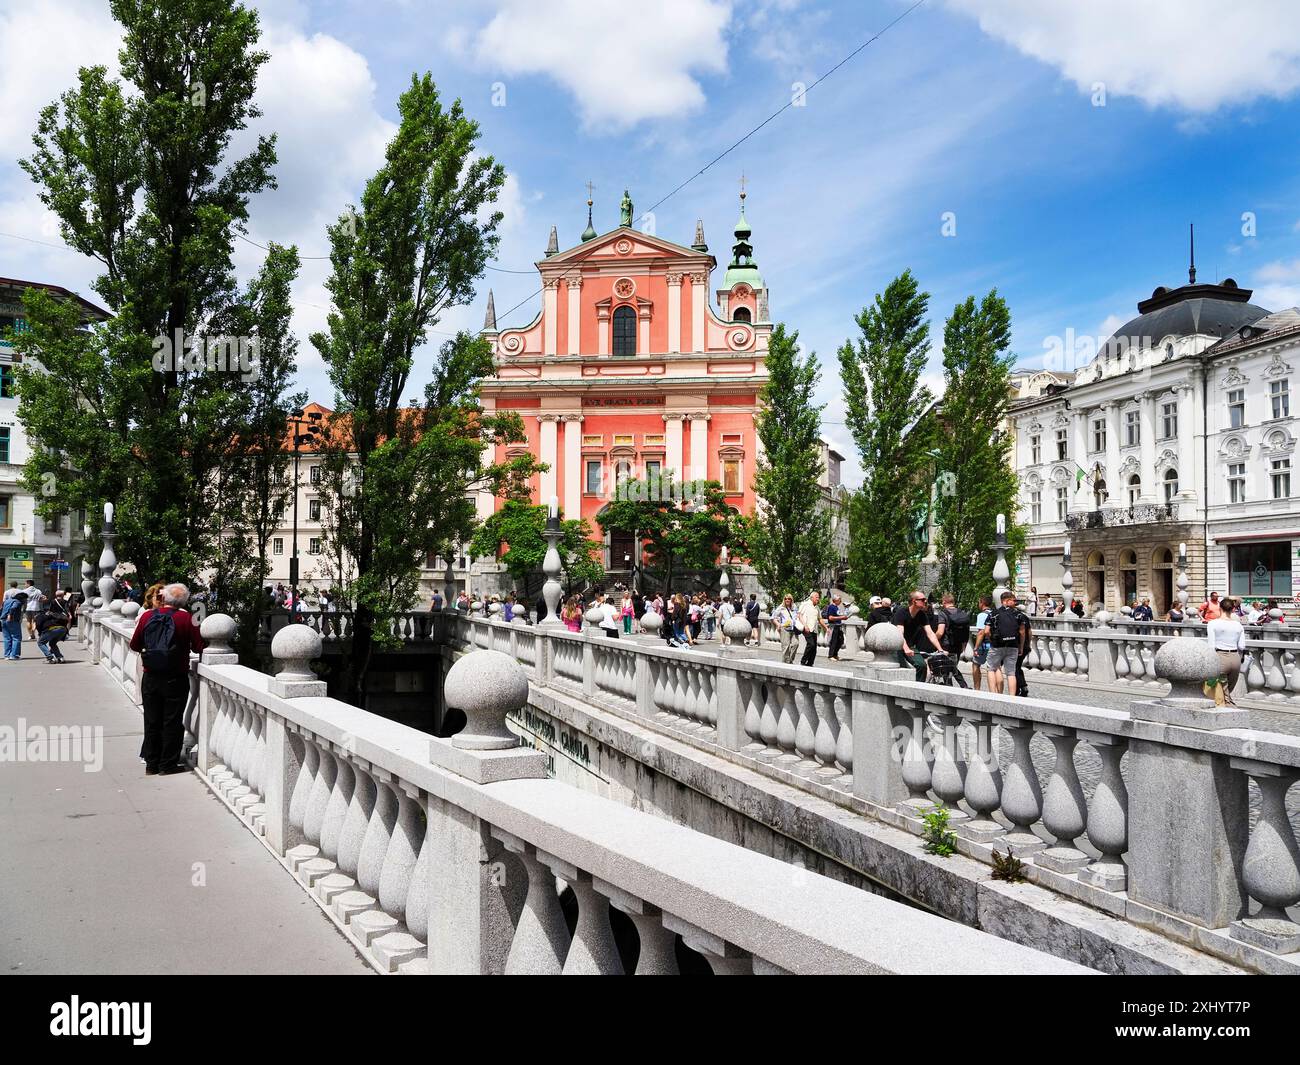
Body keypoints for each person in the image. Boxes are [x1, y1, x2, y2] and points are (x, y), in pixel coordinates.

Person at [129, 583, 206, 775]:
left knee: (152, 720)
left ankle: (151, 763)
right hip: (175, 677)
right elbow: (198, 646)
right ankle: (167, 764)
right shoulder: (187, 618)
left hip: (151, 676)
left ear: (164, 598)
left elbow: (135, 644)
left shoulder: (147, 616)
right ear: (184, 601)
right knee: (172, 720)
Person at [975, 591, 1029, 696]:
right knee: (1011, 672)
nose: (1015, 602)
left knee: (991, 669)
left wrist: (991, 640)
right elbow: (1022, 632)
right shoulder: (1018, 614)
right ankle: (1012, 697)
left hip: (997, 645)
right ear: (1006, 600)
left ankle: (993, 694)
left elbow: (986, 631)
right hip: (1013, 645)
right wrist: (1021, 646)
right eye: (1013, 600)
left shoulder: (993, 613)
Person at [892, 590, 943, 681]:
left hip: (910, 646)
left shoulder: (922, 615)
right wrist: (906, 648)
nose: (925, 601)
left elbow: (930, 633)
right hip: (897, 645)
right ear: (914, 601)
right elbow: (900, 634)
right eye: (923, 599)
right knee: (902, 668)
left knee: (922, 666)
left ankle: (918, 687)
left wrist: (940, 649)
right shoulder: (901, 613)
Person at [1205, 597, 1245, 705]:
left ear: (1220, 608)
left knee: (1219, 689)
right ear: (1232, 609)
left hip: (1220, 657)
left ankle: (1227, 708)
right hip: (1235, 658)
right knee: (1227, 691)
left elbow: (1211, 646)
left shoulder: (1213, 624)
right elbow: (1242, 646)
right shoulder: (1238, 625)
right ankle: (1228, 706)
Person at [935, 592, 971, 669]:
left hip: (946, 645)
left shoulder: (942, 613)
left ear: (944, 602)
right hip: (958, 645)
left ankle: (950, 681)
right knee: (953, 668)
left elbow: (940, 632)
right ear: (953, 602)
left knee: (945, 668)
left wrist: (933, 639)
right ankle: (951, 680)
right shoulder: (961, 612)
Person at [970, 595, 993, 691]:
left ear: (982, 603)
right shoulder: (994, 613)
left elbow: (981, 632)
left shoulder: (982, 615)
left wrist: (975, 647)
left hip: (983, 645)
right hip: (994, 644)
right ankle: (995, 691)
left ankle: (977, 689)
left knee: (975, 665)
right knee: (994, 669)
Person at [798, 590, 826, 667]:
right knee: (811, 644)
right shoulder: (805, 604)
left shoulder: (817, 607)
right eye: (817, 597)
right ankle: (803, 661)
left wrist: (826, 628)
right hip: (807, 628)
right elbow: (799, 615)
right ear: (812, 597)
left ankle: (810, 663)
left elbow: (820, 619)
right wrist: (805, 625)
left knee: (814, 648)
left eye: (818, 597)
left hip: (814, 629)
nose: (818, 599)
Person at [773, 593, 800, 664]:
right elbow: (773, 617)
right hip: (785, 629)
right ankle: (786, 662)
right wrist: (778, 624)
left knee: (796, 644)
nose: (787, 600)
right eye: (785, 599)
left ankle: (789, 660)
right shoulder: (781, 607)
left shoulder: (794, 607)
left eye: (789, 599)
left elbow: (797, 616)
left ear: (791, 600)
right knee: (786, 646)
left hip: (793, 629)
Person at [2, 589, 27, 660]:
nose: (25, 601)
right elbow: (13, 607)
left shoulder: (7, 601)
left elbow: (1, 608)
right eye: (25, 599)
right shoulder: (17, 602)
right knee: (16, 638)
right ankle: (14, 655)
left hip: (3, 620)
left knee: (7, 638)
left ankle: (7, 655)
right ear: (22, 598)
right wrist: (10, 615)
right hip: (12, 620)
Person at [824, 591, 847, 661]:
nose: (840, 601)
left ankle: (835, 654)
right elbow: (830, 617)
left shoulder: (836, 607)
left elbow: (837, 615)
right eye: (840, 599)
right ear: (836, 600)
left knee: (840, 641)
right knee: (833, 641)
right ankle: (831, 655)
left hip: (838, 626)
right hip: (833, 626)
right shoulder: (831, 607)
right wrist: (841, 618)